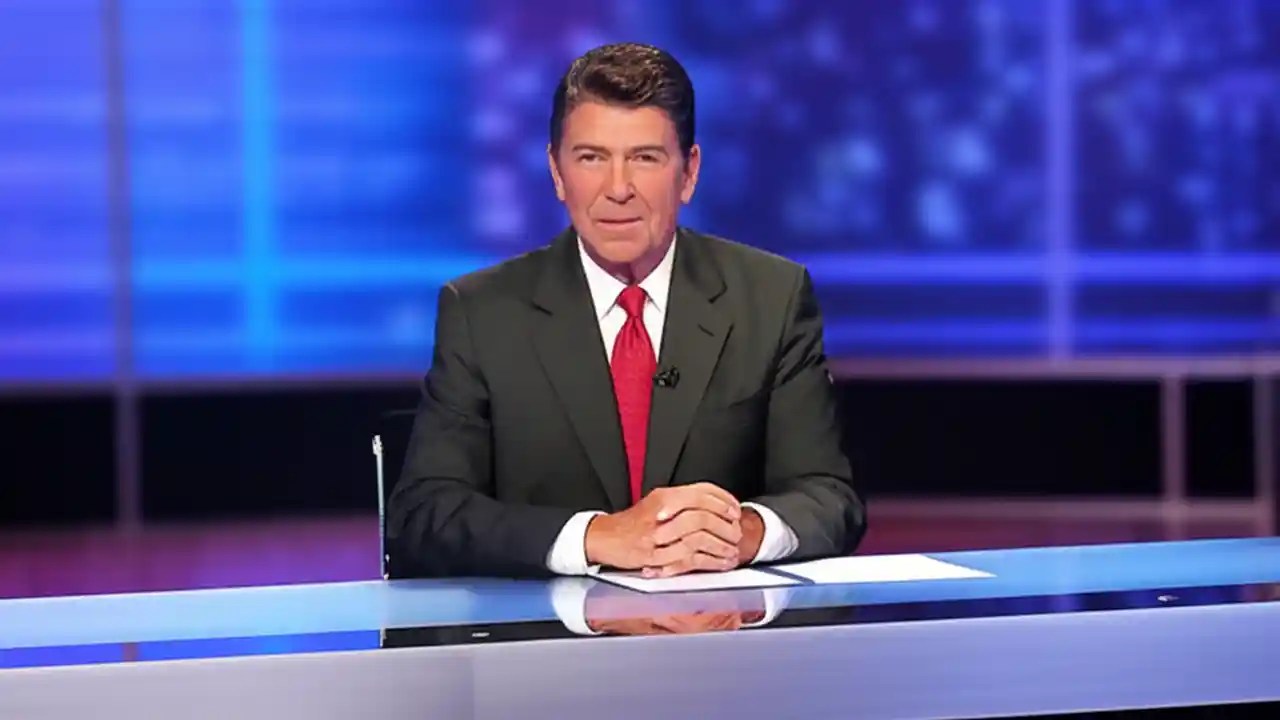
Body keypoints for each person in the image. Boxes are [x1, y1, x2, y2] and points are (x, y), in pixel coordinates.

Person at [387, 41, 865, 579]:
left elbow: (830, 500)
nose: (618, 189)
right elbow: (425, 515)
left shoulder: (771, 297)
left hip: (720, 645)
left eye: (645, 158)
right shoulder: (482, 313)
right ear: (557, 173)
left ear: (688, 173)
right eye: (592, 158)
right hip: (543, 653)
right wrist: (596, 537)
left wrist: (741, 532)